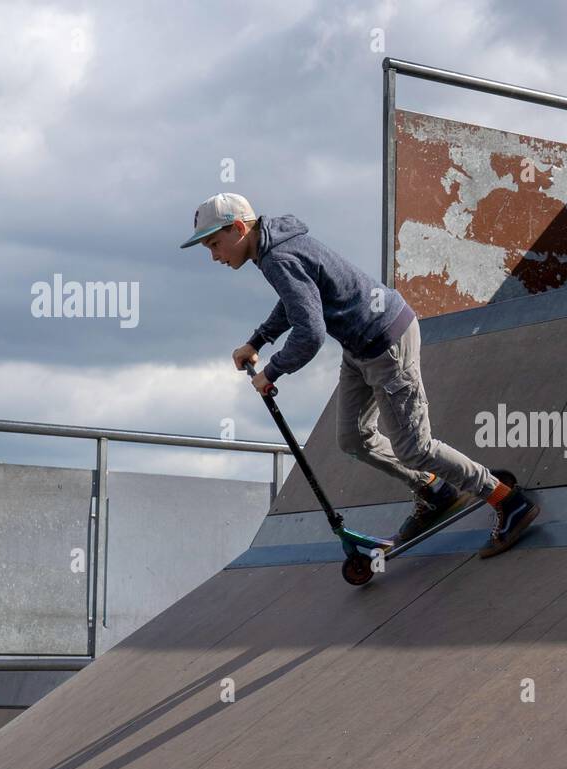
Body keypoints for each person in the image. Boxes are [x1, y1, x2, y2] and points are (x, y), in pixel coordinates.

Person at [180, 193, 538, 556]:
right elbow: (299, 302)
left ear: (239, 228)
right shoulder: (275, 246)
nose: (214, 256)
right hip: (359, 347)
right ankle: (433, 489)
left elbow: (311, 333)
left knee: (415, 447)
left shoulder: (277, 257)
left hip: (385, 341)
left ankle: (507, 500)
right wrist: (258, 340)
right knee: (353, 438)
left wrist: (272, 370)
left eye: (215, 244)